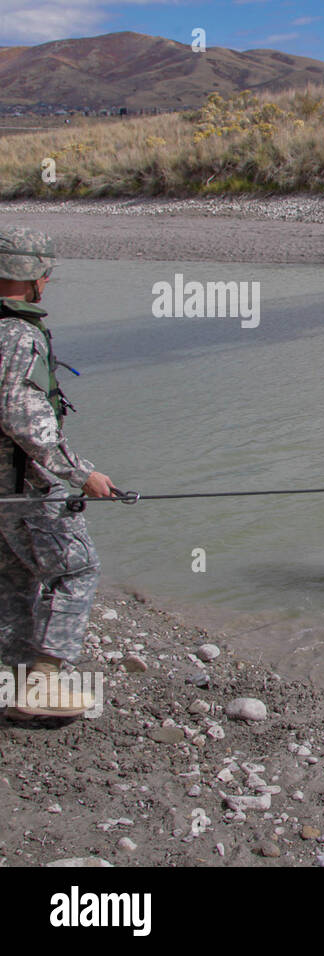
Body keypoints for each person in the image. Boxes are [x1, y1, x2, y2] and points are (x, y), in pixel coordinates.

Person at [0, 227, 117, 719]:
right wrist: (81, 474)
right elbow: (20, 416)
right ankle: (43, 683)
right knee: (75, 567)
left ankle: (15, 683)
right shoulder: (19, 336)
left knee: (18, 577)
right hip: (26, 488)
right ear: (39, 280)